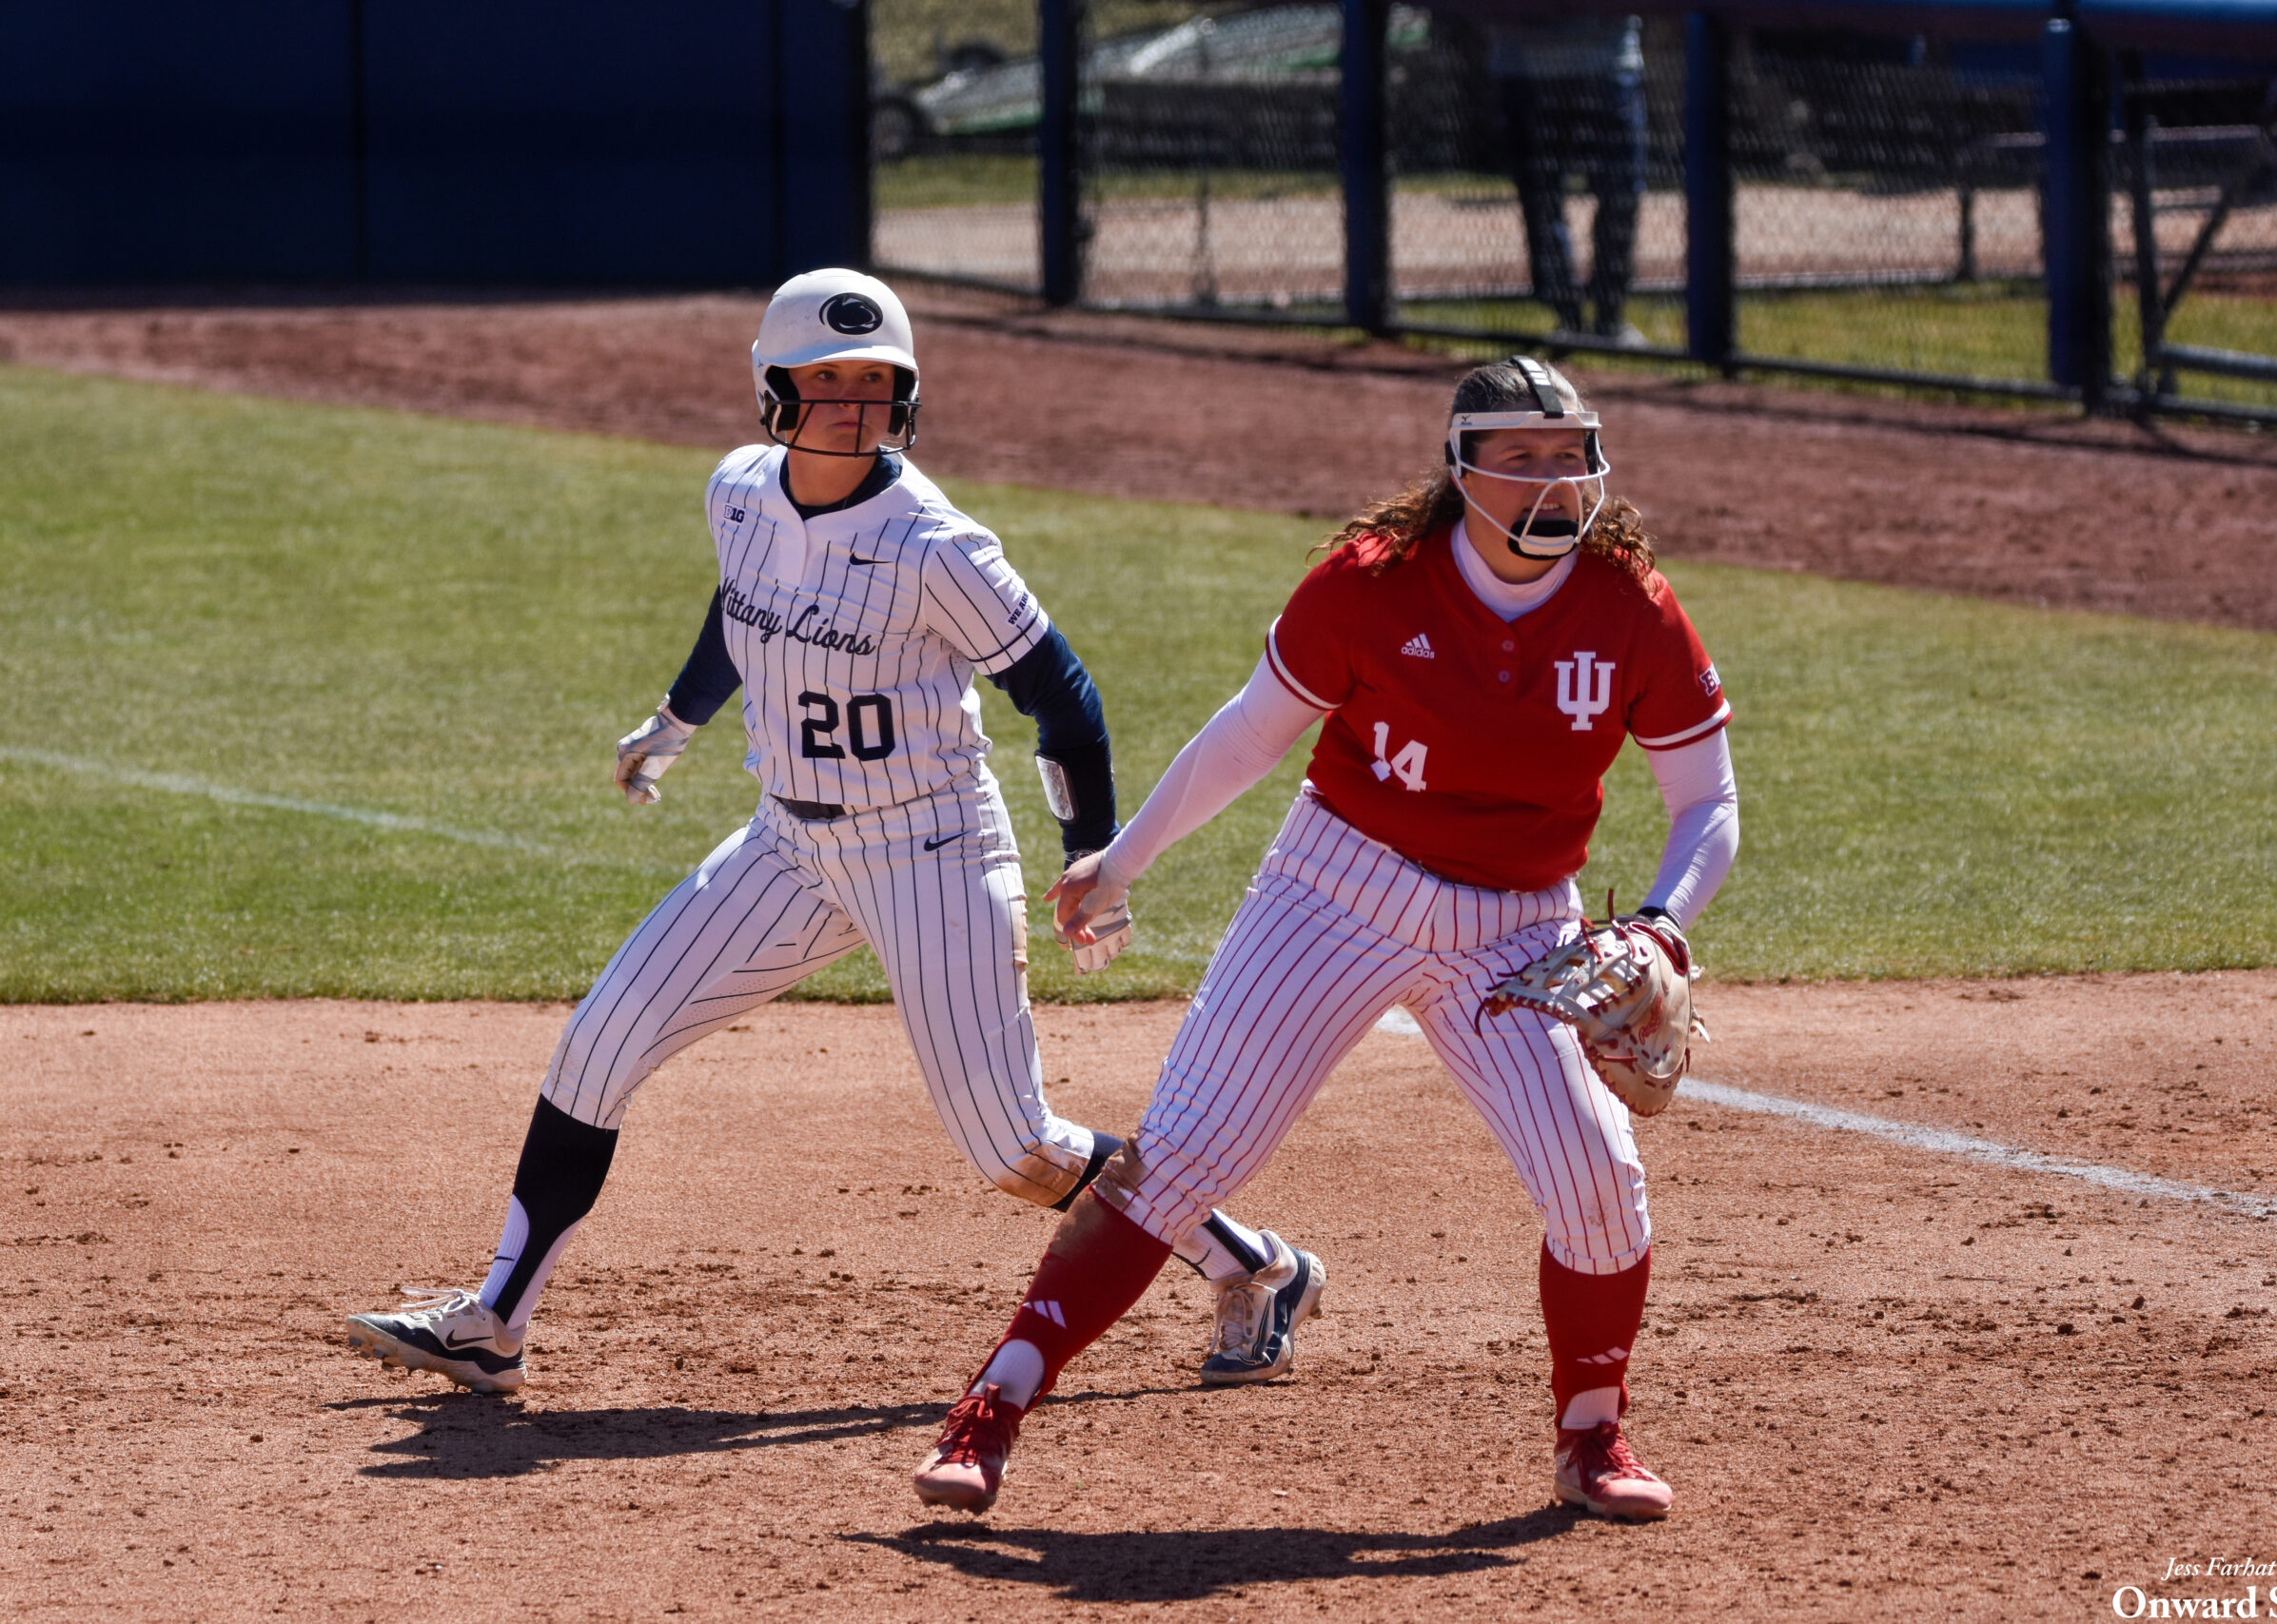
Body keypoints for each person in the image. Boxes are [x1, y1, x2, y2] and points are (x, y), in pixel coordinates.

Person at [342, 269, 1320, 1397]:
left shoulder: (937, 546)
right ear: (774, 388)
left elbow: (1064, 698)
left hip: (930, 851)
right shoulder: (738, 492)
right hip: (785, 848)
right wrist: (674, 722)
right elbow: (740, 607)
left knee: (1016, 1149)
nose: (853, 405)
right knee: (596, 1047)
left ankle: (1255, 1265)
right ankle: (494, 1323)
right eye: (827, 381)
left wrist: (1089, 855)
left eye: (874, 383)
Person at [908, 355, 1737, 1520]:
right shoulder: (1372, 583)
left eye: (1570, 455)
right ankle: (992, 1405)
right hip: (1336, 890)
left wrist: (1660, 924)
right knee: (1179, 1161)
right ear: (1462, 470)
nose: (1553, 479)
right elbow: (1251, 735)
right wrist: (1122, 858)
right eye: (1522, 457)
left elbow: (1708, 801)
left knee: (1599, 1181)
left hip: (1516, 932)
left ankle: (1591, 1437)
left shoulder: (1629, 604)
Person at [1488, 16, 1649, 341]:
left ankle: (1609, 318)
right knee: (1541, 196)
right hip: (1526, 68)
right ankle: (1567, 317)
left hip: (1609, 63)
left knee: (1621, 190)